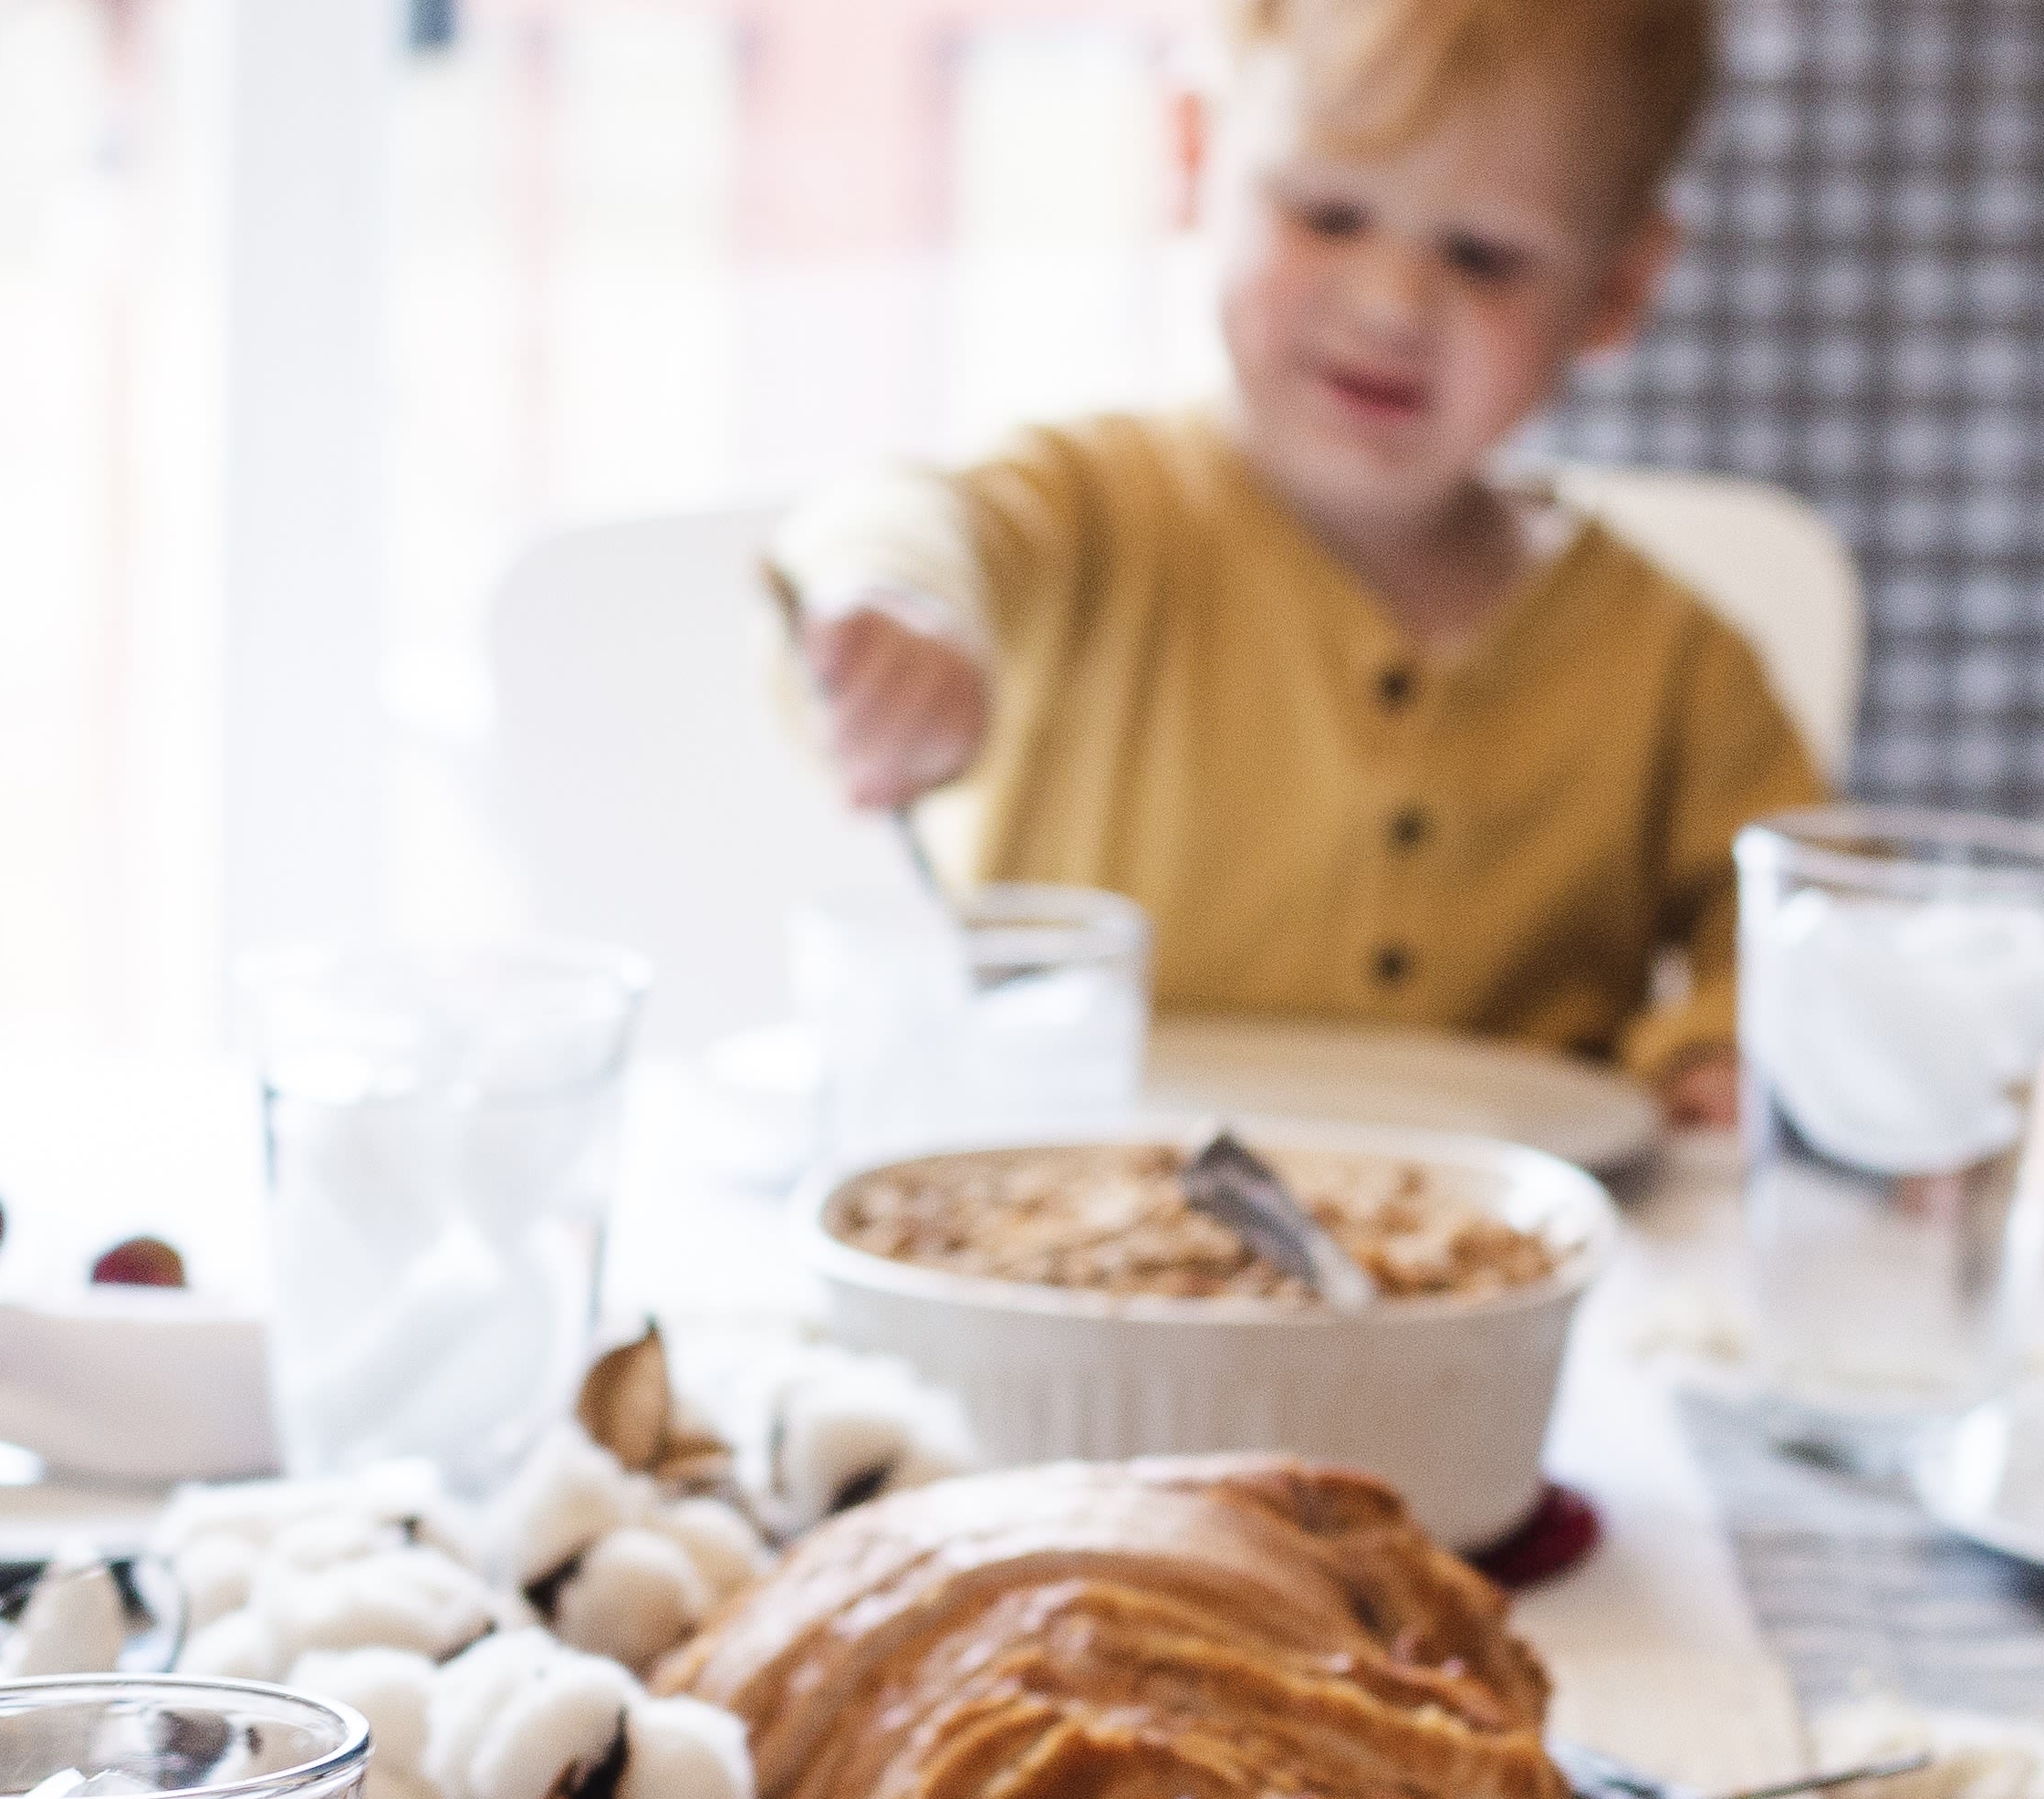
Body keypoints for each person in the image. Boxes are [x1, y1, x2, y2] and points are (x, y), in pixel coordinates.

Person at [767, 0, 1820, 1127]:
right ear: (1192, 156)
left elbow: (1797, 936)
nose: (1391, 303)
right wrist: (901, 616)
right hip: (1077, 1228)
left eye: (1484, 257)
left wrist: (1729, 1051)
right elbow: (906, 519)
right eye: (1329, 214)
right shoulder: (1091, 518)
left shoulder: (1675, 663)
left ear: (1615, 290)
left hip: (1494, 1276)